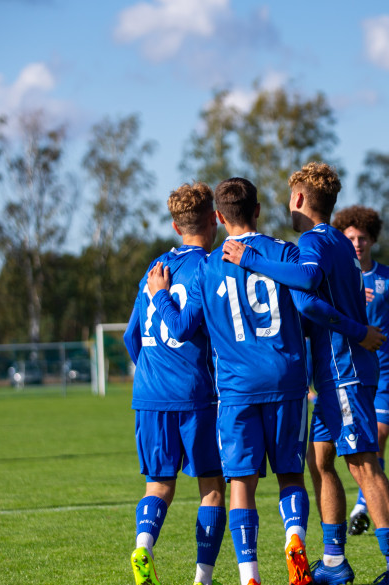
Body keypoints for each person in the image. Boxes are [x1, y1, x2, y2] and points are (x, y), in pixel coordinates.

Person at [150, 177, 373, 585]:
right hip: (287, 380)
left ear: (219, 216)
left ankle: (249, 574)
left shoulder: (206, 266)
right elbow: (306, 307)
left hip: (236, 388)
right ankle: (295, 541)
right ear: (257, 210)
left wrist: (160, 295)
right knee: (291, 474)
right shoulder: (285, 252)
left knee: (241, 483)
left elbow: (182, 328)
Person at [221, 164, 389, 585]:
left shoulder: (313, 240)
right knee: (319, 460)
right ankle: (333, 561)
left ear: (298, 199)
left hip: (344, 370)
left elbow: (309, 295)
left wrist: (250, 259)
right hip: (337, 374)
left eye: (288, 196)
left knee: (364, 466)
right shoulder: (338, 242)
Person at [123, 182, 226, 585]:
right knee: (212, 487)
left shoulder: (154, 269)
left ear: (174, 225)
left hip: (149, 395)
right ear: (214, 220)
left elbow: (132, 336)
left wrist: (152, 371)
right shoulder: (210, 266)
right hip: (196, 394)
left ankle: (143, 546)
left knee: (158, 484)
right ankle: (203, 578)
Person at [330, 206, 389, 533]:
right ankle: (363, 506)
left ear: (372, 240)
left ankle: (361, 506)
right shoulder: (338, 276)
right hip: (349, 372)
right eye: (351, 237)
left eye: (363, 238)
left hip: (385, 374)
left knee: (378, 438)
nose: (357, 243)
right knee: (357, 447)